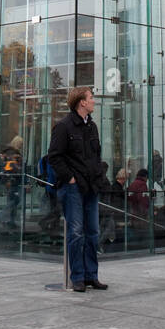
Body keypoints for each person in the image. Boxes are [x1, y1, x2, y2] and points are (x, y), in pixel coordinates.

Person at [48, 86, 107, 292]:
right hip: (73, 188)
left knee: (93, 232)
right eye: (91, 98)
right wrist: (70, 179)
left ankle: (92, 275)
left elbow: (96, 155)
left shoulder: (92, 127)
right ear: (81, 102)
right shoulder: (64, 127)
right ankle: (78, 276)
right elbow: (54, 156)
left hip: (91, 187)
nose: (93, 101)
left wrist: (98, 177)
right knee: (76, 233)